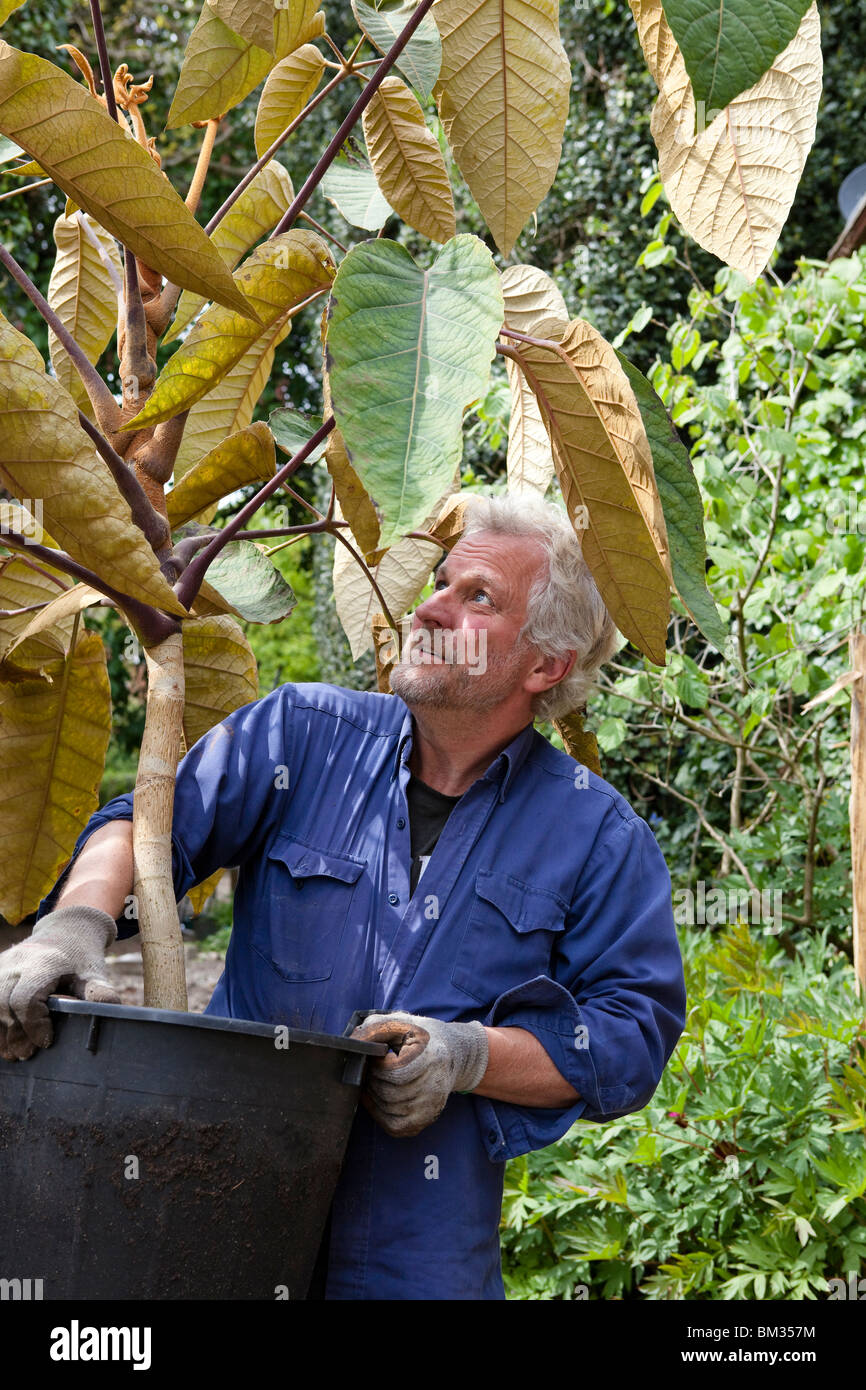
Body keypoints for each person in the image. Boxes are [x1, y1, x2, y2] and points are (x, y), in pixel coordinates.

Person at [0, 492, 686, 1300]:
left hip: (419, 1259)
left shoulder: (597, 834)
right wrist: (72, 927)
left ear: (546, 665)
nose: (427, 608)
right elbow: (147, 825)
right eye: (440, 581)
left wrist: (468, 1056)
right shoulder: (303, 734)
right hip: (219, 1213)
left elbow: (629, 1036)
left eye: (478, 598)